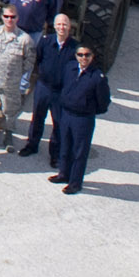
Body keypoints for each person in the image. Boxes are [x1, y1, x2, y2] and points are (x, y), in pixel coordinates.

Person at [49, 42, 110, 194]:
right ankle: (63, 174)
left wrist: (87, 109)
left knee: (79, 152)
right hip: (66, 114)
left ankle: (75, 183)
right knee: (65, 146)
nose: (83, 58)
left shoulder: (98, 77)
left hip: (83, 119)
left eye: (87, 55)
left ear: (92, 56)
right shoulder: (70, 68)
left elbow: (103, 103)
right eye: (80, 55)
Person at [17, 12, 81, 157]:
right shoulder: (46, 42)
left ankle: (55, 154)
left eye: (65, 24)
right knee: (37, 118)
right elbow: (37, 60)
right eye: (59, 24)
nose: (62, 27)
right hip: (43, 87)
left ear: (70, 27)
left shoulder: (75, 47)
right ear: (54, 26)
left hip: (61, 91)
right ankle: (32, 146)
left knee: (58, 123)